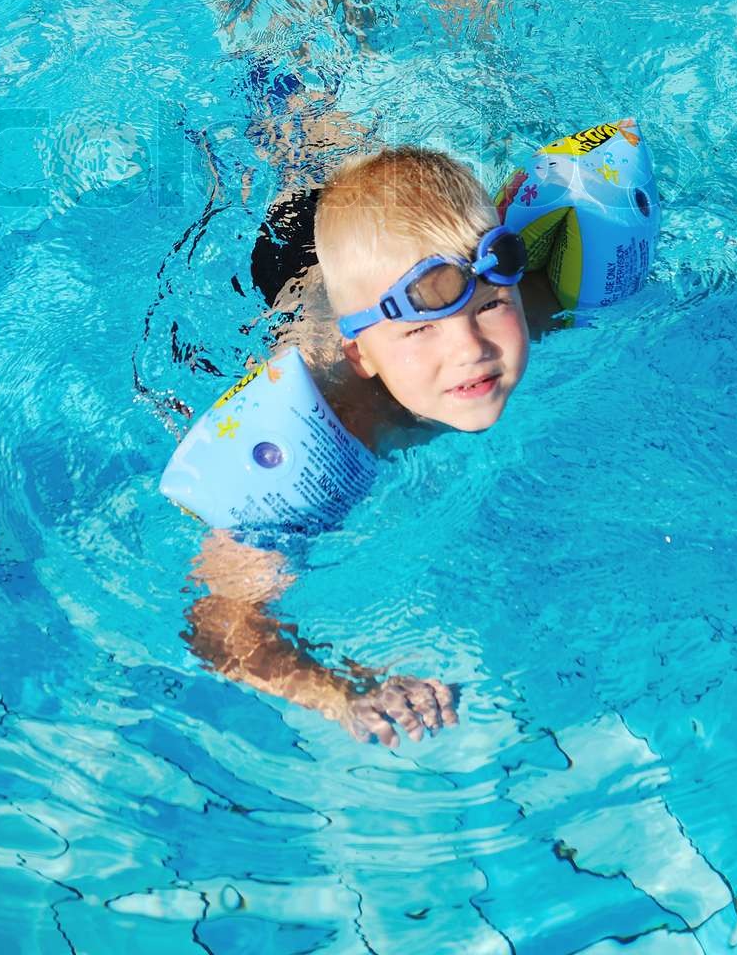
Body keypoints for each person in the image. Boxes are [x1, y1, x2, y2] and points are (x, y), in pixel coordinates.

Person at [184, 144, 560, 750]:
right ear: (361, 353)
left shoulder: (533, 306)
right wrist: (345, 693)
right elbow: (220, 623)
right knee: (298, 150)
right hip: (294, 262)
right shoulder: (328, 438)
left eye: (491, 306)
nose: (470, 349)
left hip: (386, 257)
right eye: (421, 330)